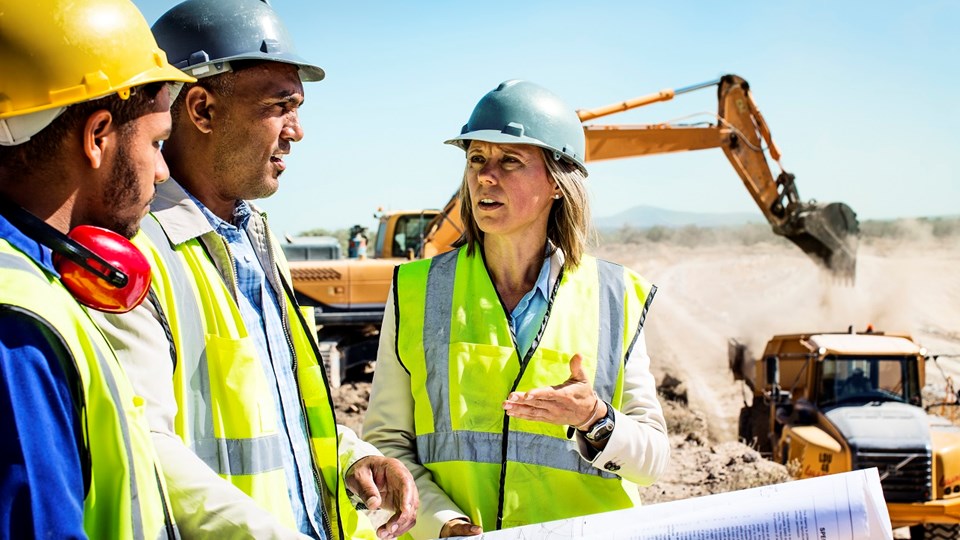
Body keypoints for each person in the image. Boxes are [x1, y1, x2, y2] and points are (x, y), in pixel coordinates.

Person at [90, 1, 417, 539]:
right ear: (201, 110)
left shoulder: (257, 239)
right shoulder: (131, 253)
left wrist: (350, 458)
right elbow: (142, 447)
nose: (297, 131)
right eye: (280, 106)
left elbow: (278, 410)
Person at [363, 80, 671, 538]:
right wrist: (444, 525)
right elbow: (387, 444)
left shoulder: (614, 294)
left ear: (558, 183)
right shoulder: (416, 290)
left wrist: (595, 418)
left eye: (510, 161)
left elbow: (653, 461)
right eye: (476, 159)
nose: (486, 176)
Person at [0, 1, 195, 537]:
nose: (161, 170)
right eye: (156, 143)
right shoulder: (18, 325)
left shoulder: (31, 281)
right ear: (97, 135)